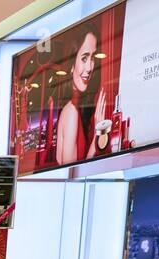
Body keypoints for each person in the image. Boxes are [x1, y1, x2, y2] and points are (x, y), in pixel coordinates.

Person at [54, 21, 106, 166]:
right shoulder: (71, 112)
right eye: (84, 58)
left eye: (92, 58)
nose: (90, 67)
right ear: (71, 66)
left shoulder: (72, 108)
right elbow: (71, 178)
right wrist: (98, 133)